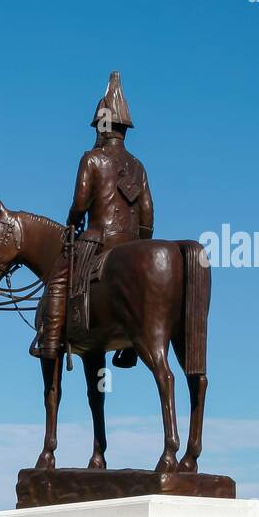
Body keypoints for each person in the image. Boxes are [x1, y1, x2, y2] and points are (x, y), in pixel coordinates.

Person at [33, 72, 154, 364]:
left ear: (101, 127)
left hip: (98, 240)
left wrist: (73, 222)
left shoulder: (92, 158)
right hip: (132, 245)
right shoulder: (138, 166)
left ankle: (49, 342)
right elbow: (148, 215)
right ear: (124, 128)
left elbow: (80, 202)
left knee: (59, 277)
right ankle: (131, 348)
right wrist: (140, 245)